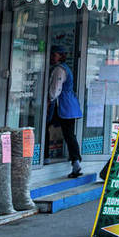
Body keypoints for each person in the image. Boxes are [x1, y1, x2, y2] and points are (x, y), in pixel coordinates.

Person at [47, 49, 83, 178]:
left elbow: (55, 89)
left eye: (54, 54)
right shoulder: (65, 68)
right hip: (70, 106)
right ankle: (75, 161)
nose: (52, 56)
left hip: (64, 106)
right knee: (69, 134)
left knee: (53, 128)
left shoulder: (59, 70)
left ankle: (74, 161)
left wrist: (49, 99)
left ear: (61, 56)